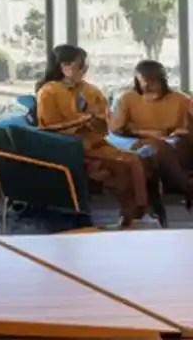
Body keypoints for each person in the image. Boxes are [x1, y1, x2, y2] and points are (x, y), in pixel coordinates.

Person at [36, 44, 149, 227]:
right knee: (120, 165)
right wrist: (79, 122)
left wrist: (98, 119)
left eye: (85, 66)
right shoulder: (48, 92)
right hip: (70, 145)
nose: (84, 70)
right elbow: (48, 127)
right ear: (64, 66)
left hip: (95, 142)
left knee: (134, 160)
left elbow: (106, 124)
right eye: (80, 66)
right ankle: (131, 210)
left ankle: (139, 208)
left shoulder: (90, 90)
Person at [110, 59, 193, 210]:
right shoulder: (128, 98)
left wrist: (167, 136)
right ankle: (185, 187)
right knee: (149, 153)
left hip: (173, 142)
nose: (148, 87)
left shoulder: (181, 100)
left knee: (162, 147)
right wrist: (143, 133)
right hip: (138, 141)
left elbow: (186, 130)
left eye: (153, 82)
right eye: (144, 82)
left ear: (163, 81)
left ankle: (182, 189)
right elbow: (116, 129)